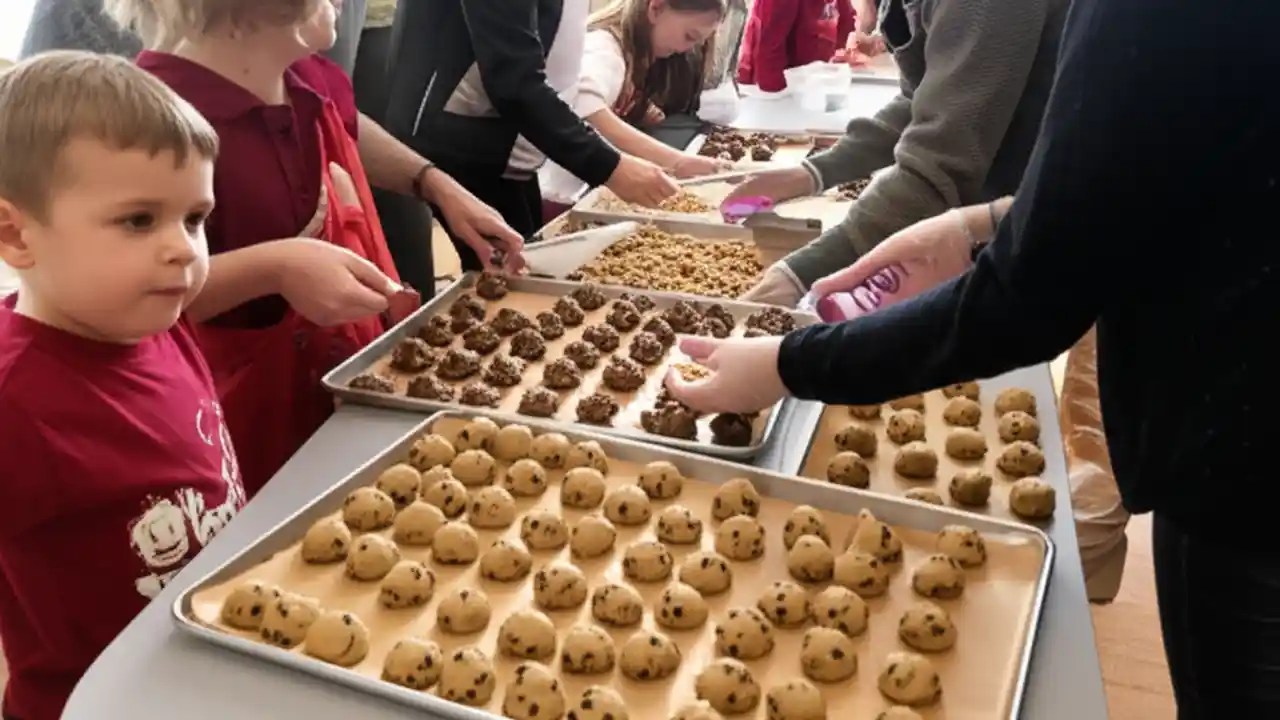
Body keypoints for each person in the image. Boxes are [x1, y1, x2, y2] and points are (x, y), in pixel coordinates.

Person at [665, 0, 1280, 713]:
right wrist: (976, 225)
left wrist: (787, 364)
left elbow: (1030, 297)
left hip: (1244, 445)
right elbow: (1158, 168)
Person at [106, 0, 521, 496]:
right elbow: (123, 303)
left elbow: (341, 122)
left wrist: (433, 184)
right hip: (244, 437)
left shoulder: (295, 71)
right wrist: (275, 268)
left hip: (334, 397)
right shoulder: (149, 125)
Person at [0, 51, 249, 720]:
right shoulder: (16, 400)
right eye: (140, 220)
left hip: (209, 673)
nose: (184, 248)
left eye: (195, 218)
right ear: (15, 235)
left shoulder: (158, 322)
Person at [729, 0, 1070, 306]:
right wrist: (811, 174)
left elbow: (937, 165)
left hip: (1041, 228)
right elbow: (919, 100)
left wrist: (799, 273)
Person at [381, 0, 680, 268]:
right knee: (503, 276)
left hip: (515, 149)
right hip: (460, 141)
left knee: (531, 260)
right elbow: (514, 82)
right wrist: (610, 166)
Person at [539, 0, 732, 218]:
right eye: (689, 36)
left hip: (575, 191)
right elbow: (583, 105)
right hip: (553, 196)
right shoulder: (604, 48)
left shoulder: (635, 56)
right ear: (656, 9)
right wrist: (676, 161)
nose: (685, 50)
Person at [353, 0, 436, 293]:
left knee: (396, 199)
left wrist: (436, 184)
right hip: (374, 26)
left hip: (375, 28)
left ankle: (414, 307)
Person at [734, 0, 856, 93]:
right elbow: (767, 54)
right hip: (772, 88)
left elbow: (847, 24)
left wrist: (846, 49)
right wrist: (778, 96)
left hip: (810, 85)